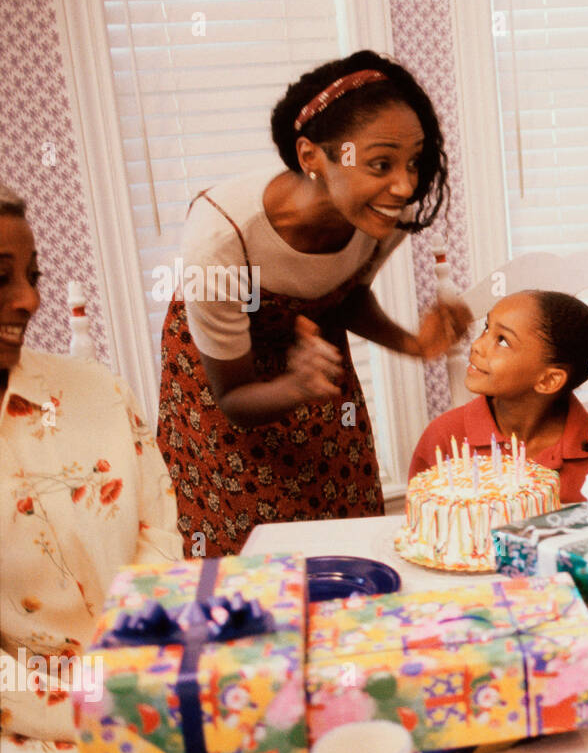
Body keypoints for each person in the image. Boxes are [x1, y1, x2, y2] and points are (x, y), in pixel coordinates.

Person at [157, 50, 471, 556]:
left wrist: (413, 343)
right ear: (311, 158)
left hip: (318, 382)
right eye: (380, 163)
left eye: (412, 162)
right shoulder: (221, 237)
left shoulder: (381, 213)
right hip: (228, 396)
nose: (406, 185)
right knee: (254, 566)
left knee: (344, 547)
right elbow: (232, 398)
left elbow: (341, 294)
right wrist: (295, 385)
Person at [0, 183, 183, 753]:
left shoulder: (98, 394)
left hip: (150, 687)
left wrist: (137, 677)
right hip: (23, 742)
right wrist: (80, 705)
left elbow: (160, 540)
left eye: (32, 275)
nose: (29, 299)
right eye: (1, 278)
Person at [408, 291, 588, 504]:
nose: (477, 345)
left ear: (548, 380)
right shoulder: (444, 438)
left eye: (502, 341)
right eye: (486, 328)